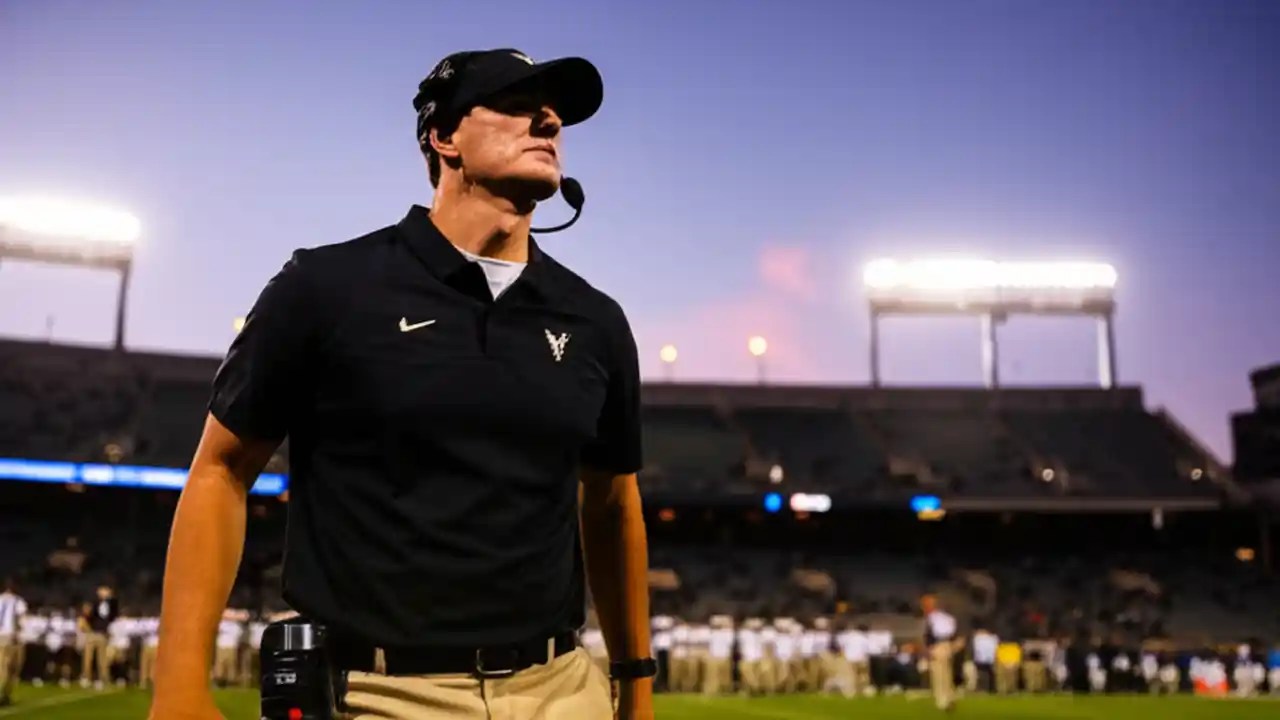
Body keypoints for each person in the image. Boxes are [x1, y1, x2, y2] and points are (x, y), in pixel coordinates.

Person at [149, 47, 653, 720]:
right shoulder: (325, 289)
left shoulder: (595, 320)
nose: (548, 120)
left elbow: (613, 504)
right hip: (381, 693)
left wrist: (636, 687)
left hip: (563, 689)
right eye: (513, 102)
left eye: (556, 111)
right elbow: (220, 472)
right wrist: (179, 687)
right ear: (442, 135)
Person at [922, 594, 957, 712]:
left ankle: (942, 701)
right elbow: (952, 632)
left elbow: (931, 635)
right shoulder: (947, 617)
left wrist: (929, 649)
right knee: (947, 673)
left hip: (937, 646)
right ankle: (950, 697)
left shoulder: (932, 618)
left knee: (938, 675)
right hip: (947, 645)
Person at [0, 579, 28, 706]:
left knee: (1, 666)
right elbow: (21, 619)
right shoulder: (18, 601)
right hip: (9, 636)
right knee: (9, 667)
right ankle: (5, 695)